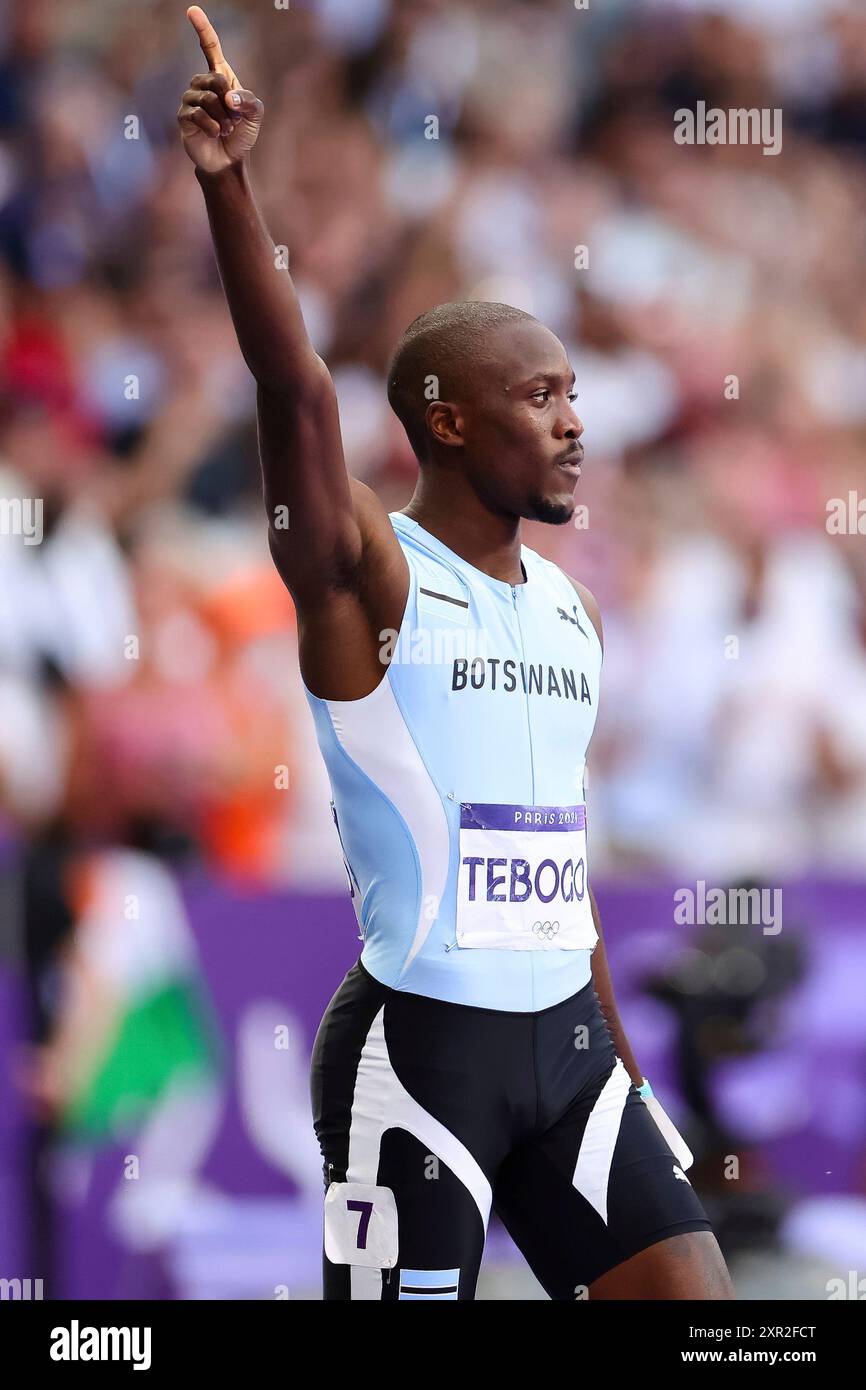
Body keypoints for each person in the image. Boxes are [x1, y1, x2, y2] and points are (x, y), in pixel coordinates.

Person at [177, 6, 734, 1301]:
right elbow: (295, 394)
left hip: (570, 1046)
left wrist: (625, 1061)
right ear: (445, 416)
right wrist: (230, 185)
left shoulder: (567, 610)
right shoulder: (369, 573)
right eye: (537, 398)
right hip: (417, 1054)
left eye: (572, 396)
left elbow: (561, 848)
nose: (571, 423)